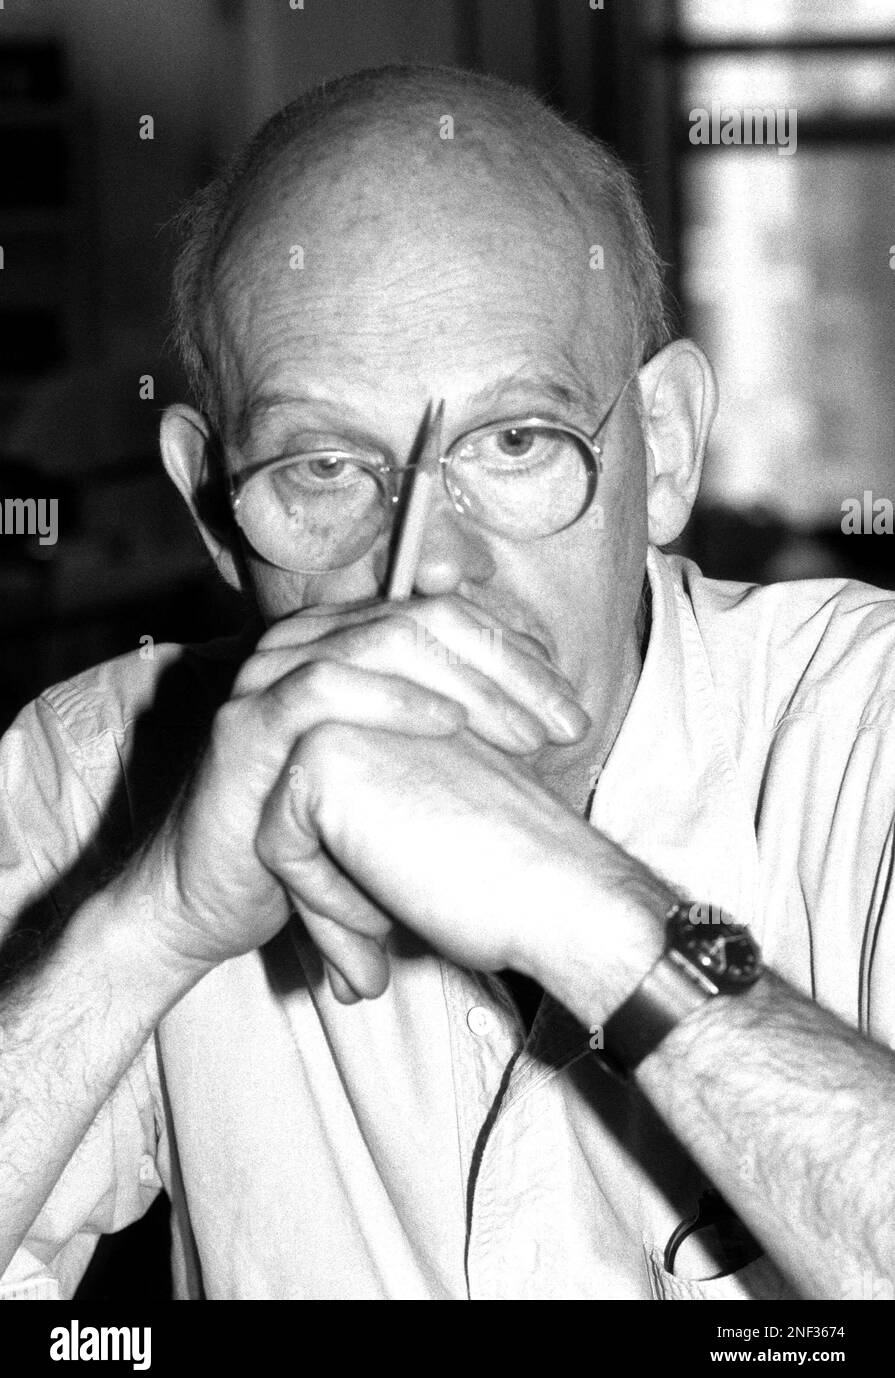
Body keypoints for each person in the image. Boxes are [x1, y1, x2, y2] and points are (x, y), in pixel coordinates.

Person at [2, 63, 894, 1302]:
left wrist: (600, 920)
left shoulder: (865, 731)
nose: (423, 570)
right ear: (212, 511)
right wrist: (145, 935)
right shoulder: (102, 772)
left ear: (670, 446)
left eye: (517, 440)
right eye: (322, 465)